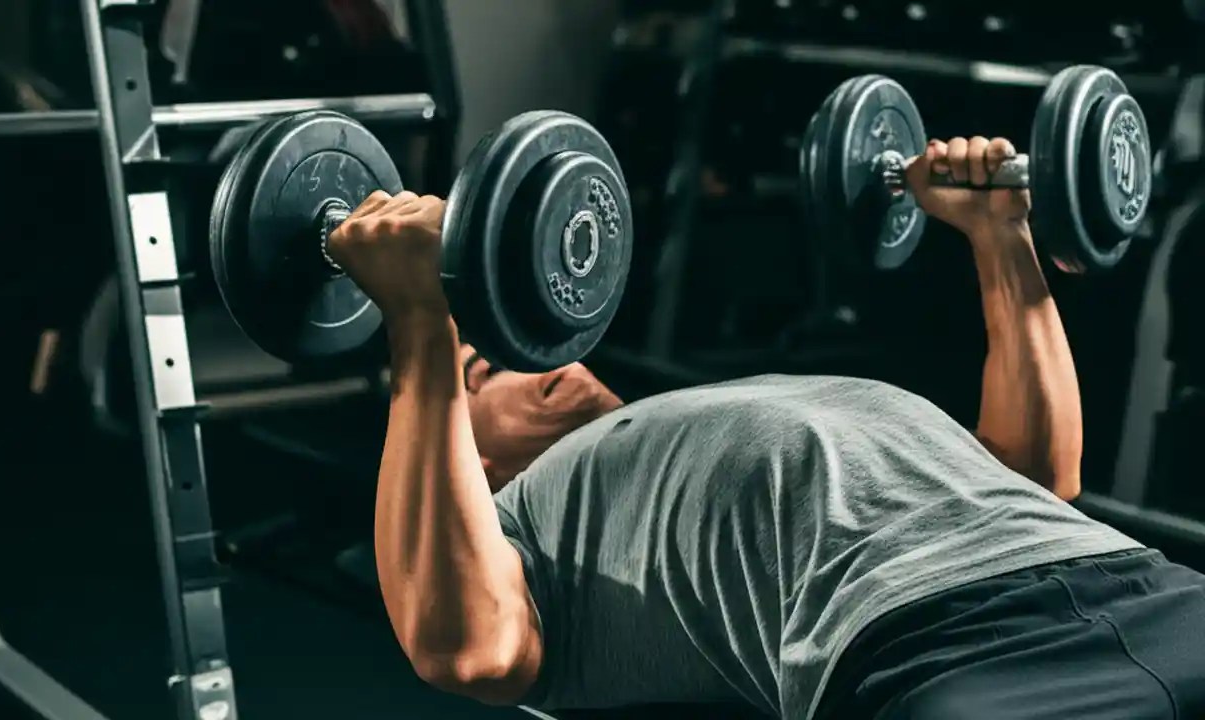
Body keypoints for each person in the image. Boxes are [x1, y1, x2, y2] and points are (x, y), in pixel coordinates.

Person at [325, 137, 1205, 719]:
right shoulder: (527, 526)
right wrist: (420, 323)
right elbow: (465, 650)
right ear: (472, 460)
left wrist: (998, 235)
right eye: (482, 369)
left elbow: (1038, 475)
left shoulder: (728, 404)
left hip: (1148, 587)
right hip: (950, 656)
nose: (513, 354)